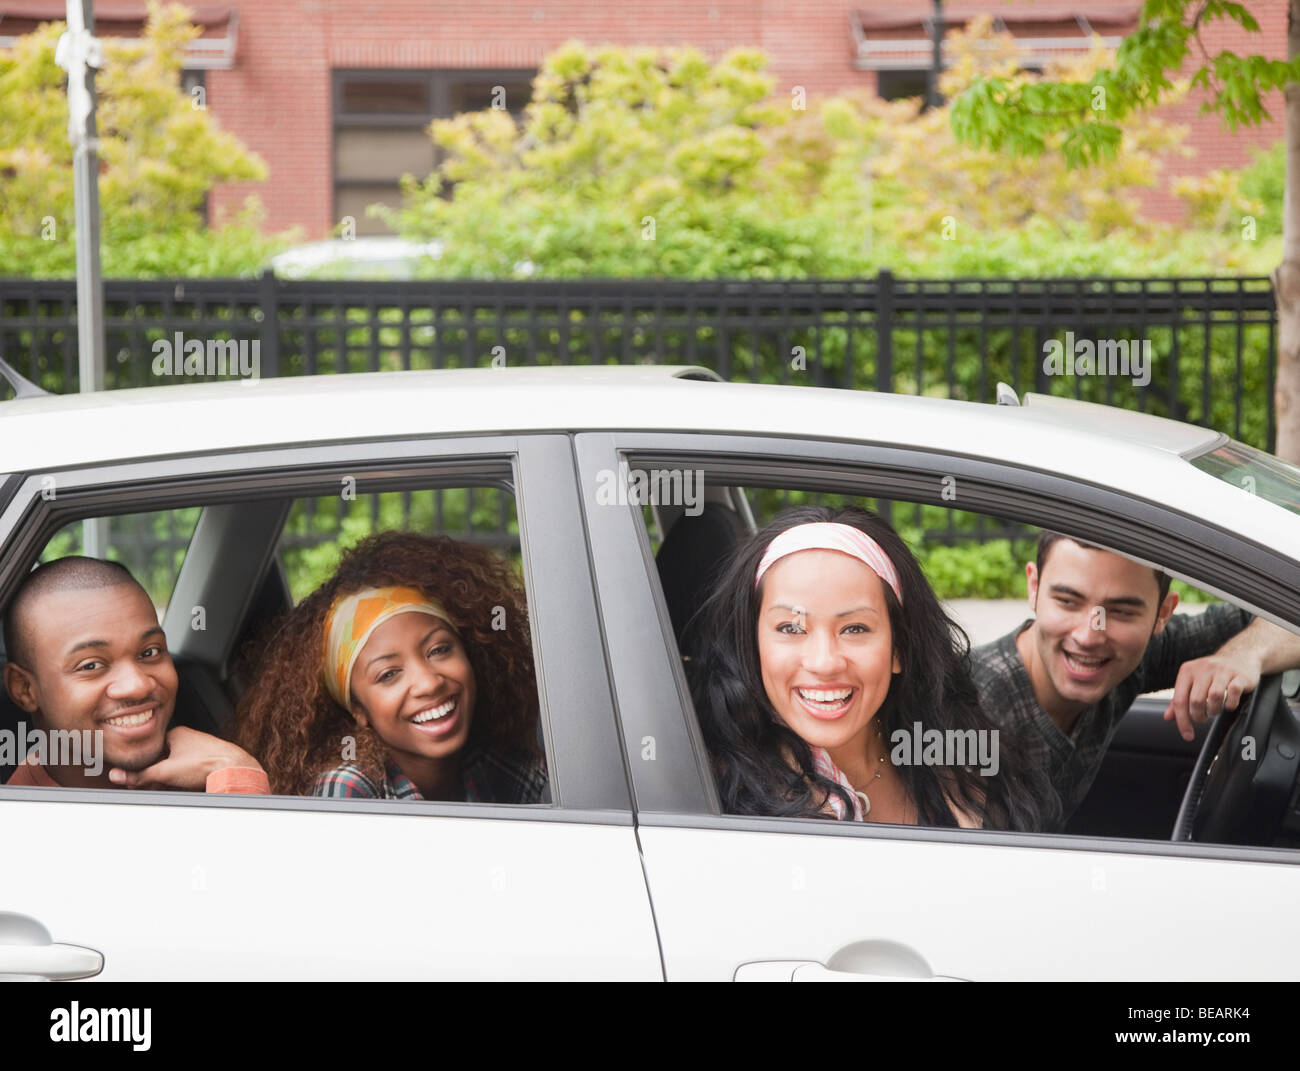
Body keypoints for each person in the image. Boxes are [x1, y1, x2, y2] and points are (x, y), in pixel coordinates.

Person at [690, 505, 1051, 831]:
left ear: (899, 648)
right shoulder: (710, 796)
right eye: (790, 629)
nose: (825, 662)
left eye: (855, 629)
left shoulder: (962, 767)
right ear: (753, 647)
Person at [972, 530, 1300, 829]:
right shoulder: (966, 705)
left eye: (1121, 612)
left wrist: (1244, 654)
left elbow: (1285, 608)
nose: (1089, 636)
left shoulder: (1137, 656)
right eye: (1068, 602)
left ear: (1163, 613)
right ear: (1033, 587)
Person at [234, 530, 548, 803]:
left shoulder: (499, 767)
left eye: (438, 649)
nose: (428, 683)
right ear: (358, 709)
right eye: (389, 674)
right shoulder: (349, 788)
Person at [2, 556, 268, 793]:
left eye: (149, 652)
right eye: (91, 666)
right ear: (24, 689)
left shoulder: (203, 777)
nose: (137, 685)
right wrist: (239, 779)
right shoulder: (22, 824)